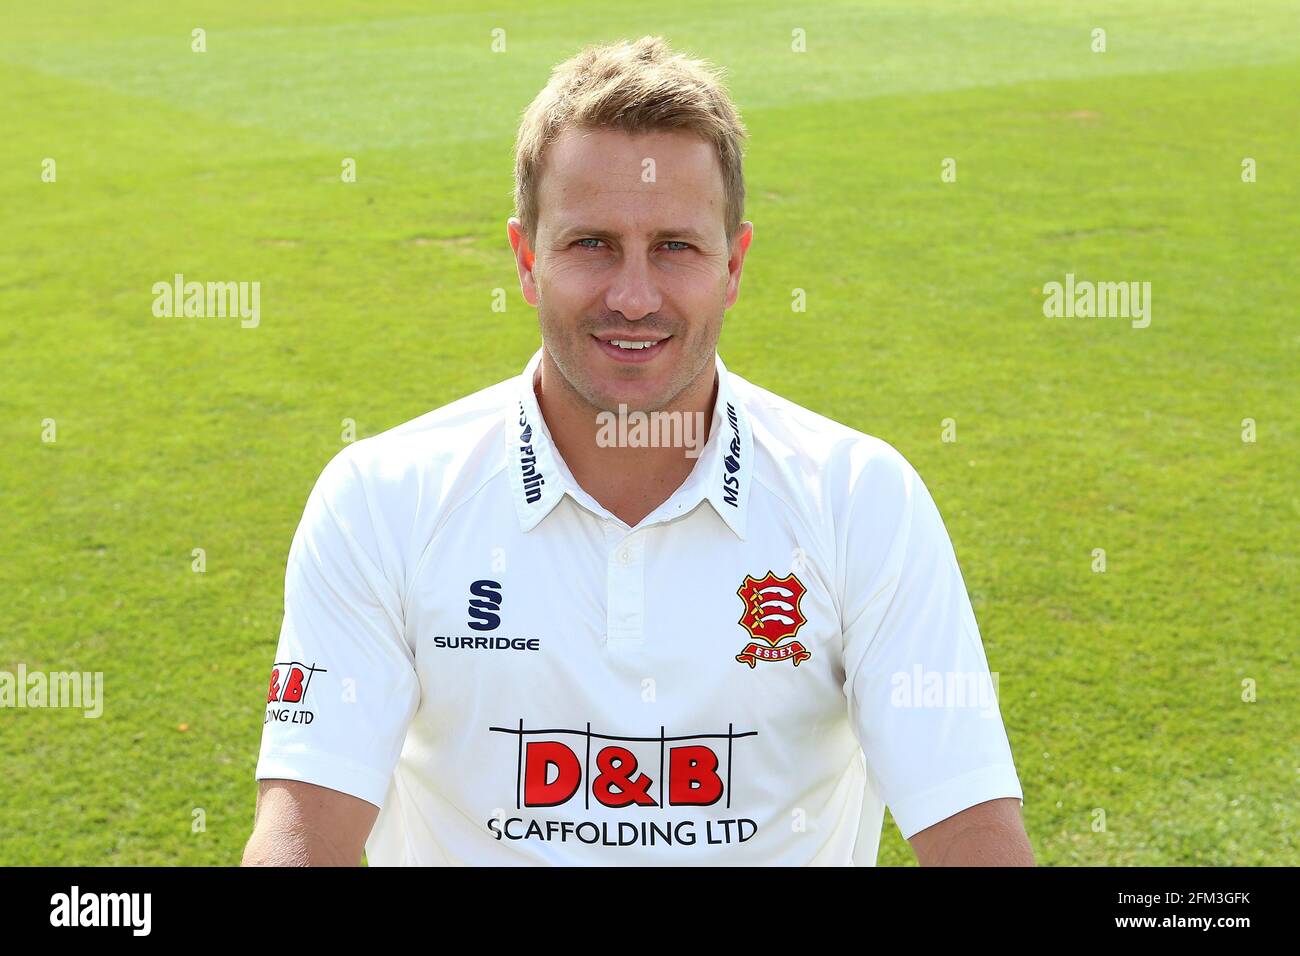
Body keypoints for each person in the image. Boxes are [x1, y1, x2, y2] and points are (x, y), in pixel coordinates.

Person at [243, 35, 1032, 866]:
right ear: (524, 260)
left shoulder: (860, 497)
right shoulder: (381, 498)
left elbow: (972, 830)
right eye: (591, 244)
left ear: (733, 266)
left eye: (674, 247)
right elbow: (305, 831)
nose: (632, 297)